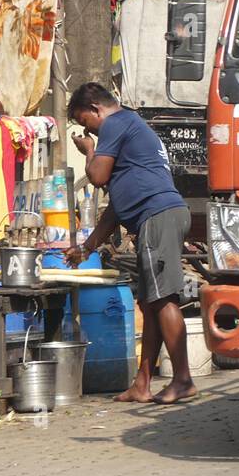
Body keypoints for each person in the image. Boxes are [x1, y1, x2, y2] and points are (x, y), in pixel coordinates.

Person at [68, 82, 197, 405]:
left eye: (87, 124)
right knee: (150, 304)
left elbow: (97, 177)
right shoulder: (128, 127)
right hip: (157, 217)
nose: (90, 132)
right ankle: (142, 384)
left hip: (158, 216)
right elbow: (115, 209)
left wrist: (89, 152)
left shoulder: (116, 122)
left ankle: (182, 379)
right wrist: (87, 247)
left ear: (97, 109)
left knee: (163, 299)